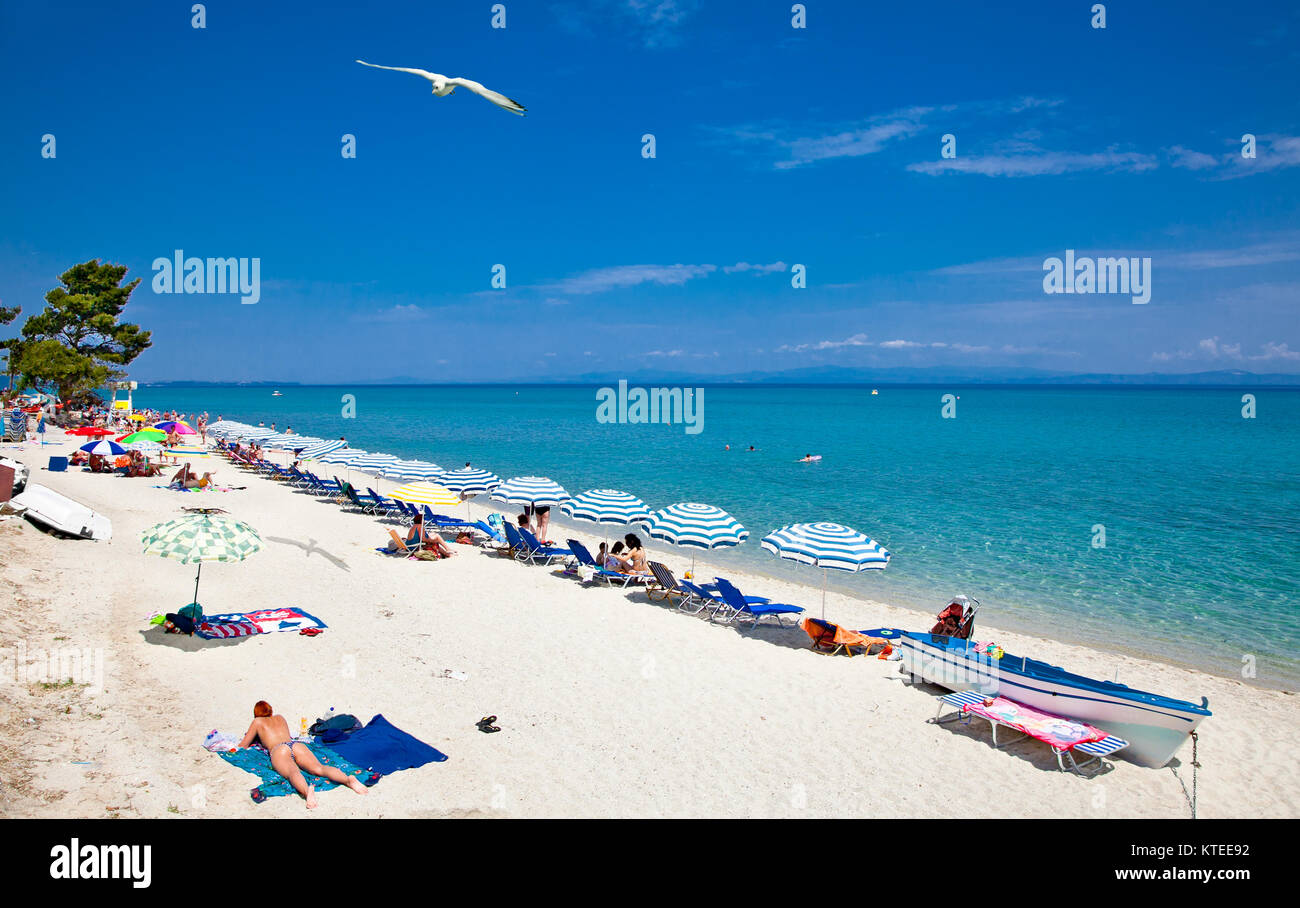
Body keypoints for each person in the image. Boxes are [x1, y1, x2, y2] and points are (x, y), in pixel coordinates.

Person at [236, 701, 368, 808]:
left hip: (279, 749)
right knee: (319, 768)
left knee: (293, 772)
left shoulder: (257, 721)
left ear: (257, 714)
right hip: (295, 745)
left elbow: (243, 745)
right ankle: (348, 780)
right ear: (270, 711)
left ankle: (307, 792)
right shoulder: (280, 717)